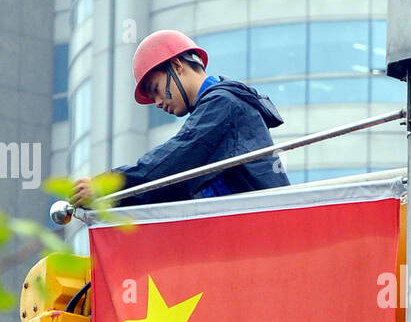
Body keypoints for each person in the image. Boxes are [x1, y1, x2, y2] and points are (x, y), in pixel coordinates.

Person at [71, 30, 289, 208]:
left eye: (156, 89)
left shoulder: (223, 105)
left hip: (266, 234)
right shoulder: (219, 107)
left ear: (177, 65)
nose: (157, 102)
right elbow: (174, 185)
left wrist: (107, 187)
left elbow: (172, 163)